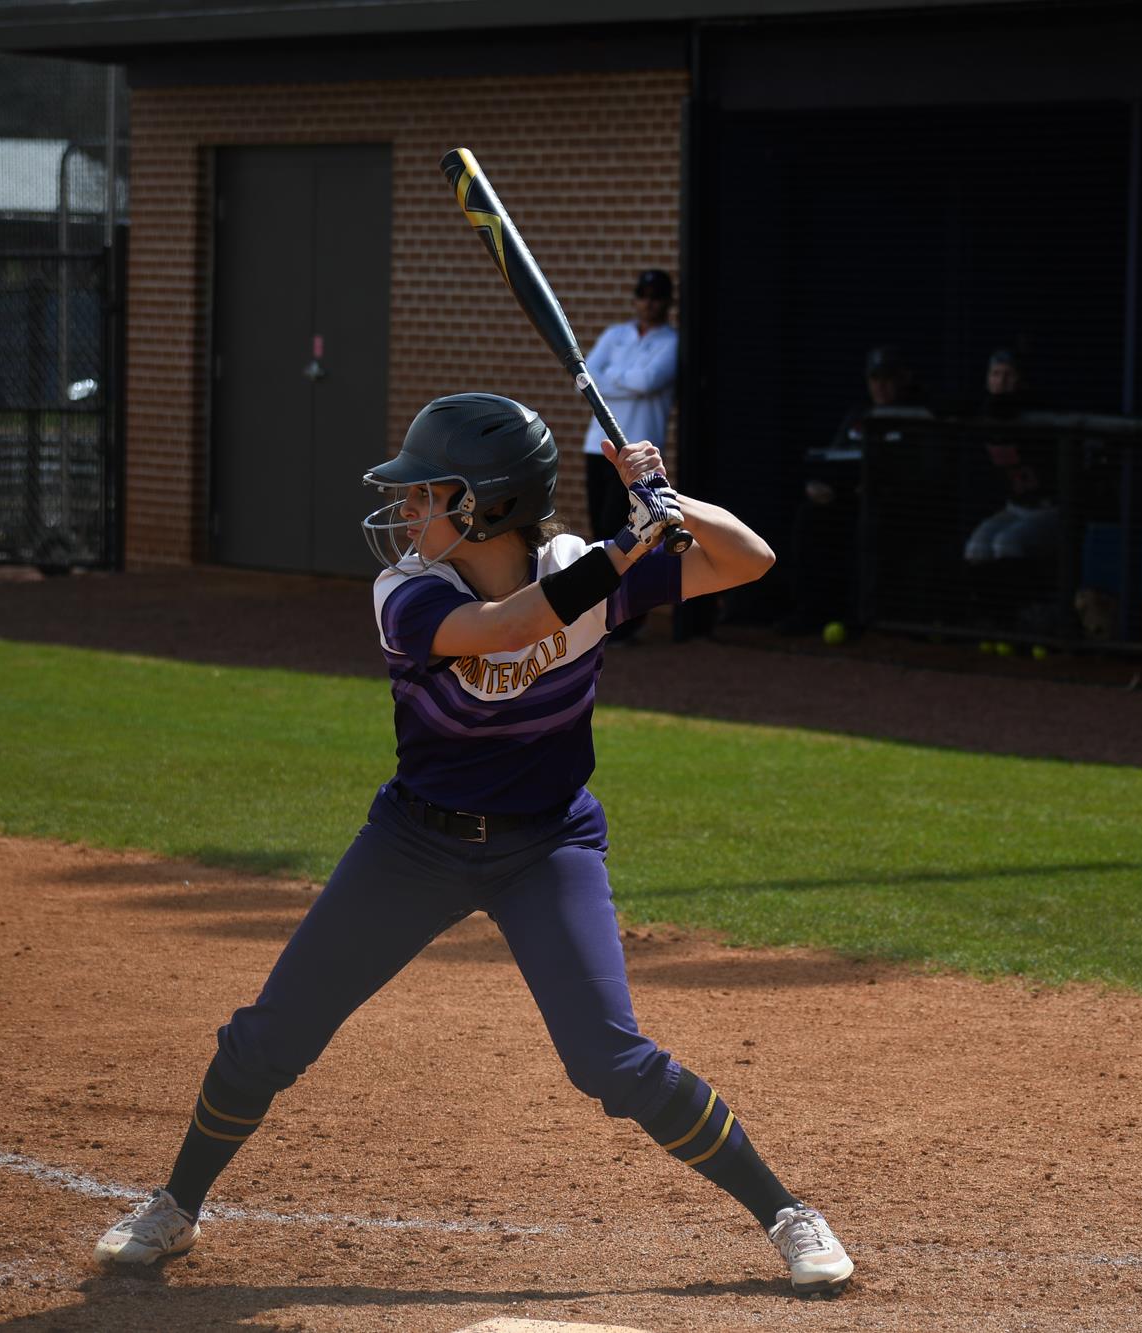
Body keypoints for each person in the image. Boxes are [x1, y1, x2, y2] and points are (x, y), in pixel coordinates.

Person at [90, 393, 855, 1298]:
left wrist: (666, 500)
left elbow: (750, 559)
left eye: (426, 495)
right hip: (416, 842)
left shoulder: (582, 567)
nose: (408, 512)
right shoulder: (409, 594)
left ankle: (786, 1212)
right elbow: (507, 629)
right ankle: (176, 1203)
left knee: (610, 1059)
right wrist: (630, 544)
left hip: (548, 845)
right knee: (272, 1035)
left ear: (487, 504)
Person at [775, 344, 925, 635]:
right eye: (875, 378)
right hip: (844, 499)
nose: (880, 386)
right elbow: (833, 457)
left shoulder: (915, 417)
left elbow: (921, 475)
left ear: (902, 379)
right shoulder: (859, 416)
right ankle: (811, 609)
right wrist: (817, 485)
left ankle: (858, 615)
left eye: (888, 378)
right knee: (810, 516)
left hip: (890, 506)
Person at [582, 268, 680, 542]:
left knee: (625, 531)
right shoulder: (615, 334)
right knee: (598, 528)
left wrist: (609, 376)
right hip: (597, 445)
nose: (648, 303)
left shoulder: (672, 342)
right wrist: (628, 381)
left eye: (656, 297)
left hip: (638, 452)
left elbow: (647, 382)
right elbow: (583, 379)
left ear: (668, 302)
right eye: (642, 296)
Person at [962, 349, 1053, 565]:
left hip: (1048, 509)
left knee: (1006, 543)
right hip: (1015, 507)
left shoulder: (1037, 412)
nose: (1001, 381)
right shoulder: (984, 414)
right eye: (995, 374)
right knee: (976, 547)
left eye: (1008, 375)